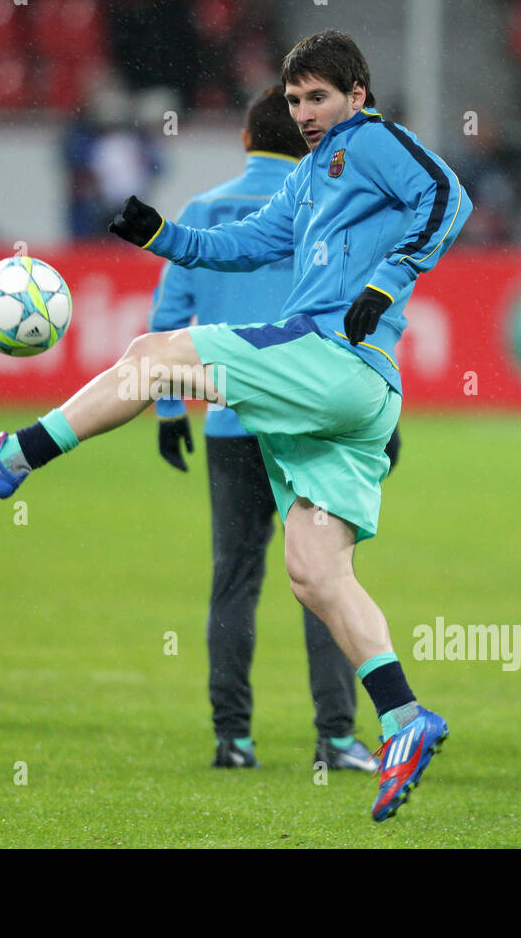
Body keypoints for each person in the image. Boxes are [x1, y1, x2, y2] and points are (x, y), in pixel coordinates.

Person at [0, 30, 471, 821]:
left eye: (319, 96)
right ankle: (404, 717)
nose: (307, 112)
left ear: (357, 93)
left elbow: (448, 198)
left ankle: (10, 455)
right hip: (353, 396)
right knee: (316, 572)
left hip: (331, 357)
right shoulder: (313, 176)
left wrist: (388, 282)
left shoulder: (375, 140)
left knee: (151, 354)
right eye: (294, 100)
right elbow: (245, 245)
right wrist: (161, 238)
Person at [149, 84, 393, 773]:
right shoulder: (333, 207)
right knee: (325, 575)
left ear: (246, 141)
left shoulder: (201, 211)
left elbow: (167, 323)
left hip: (230, 422)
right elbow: (363, 316)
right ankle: (337, 738)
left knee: (233, 578)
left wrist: (170, 414)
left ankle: (233, 736)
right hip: (311, 423)